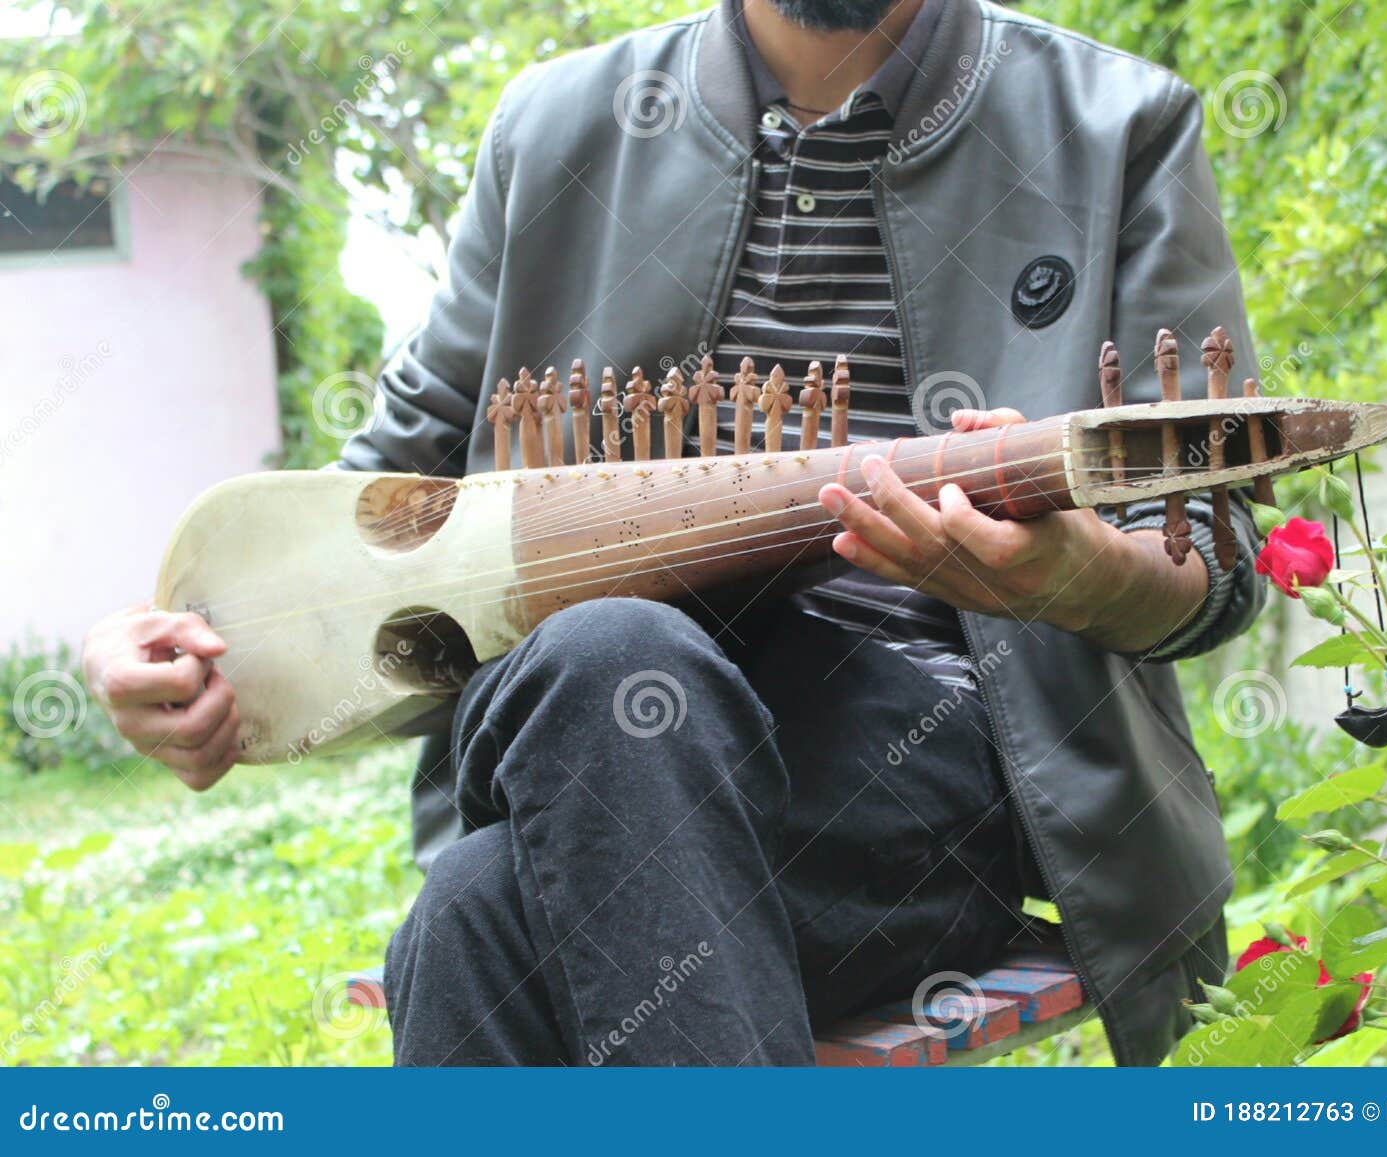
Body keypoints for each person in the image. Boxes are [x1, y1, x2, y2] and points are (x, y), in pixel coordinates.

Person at [82, 0, 1265, 1065]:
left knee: (474, 918)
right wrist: (171, 647)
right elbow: (381, 492)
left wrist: (1070, 577)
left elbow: (1207, 573)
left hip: (909, 787)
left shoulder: (1113, 126)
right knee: (608, 659)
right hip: (573, 707)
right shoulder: (554, 131)